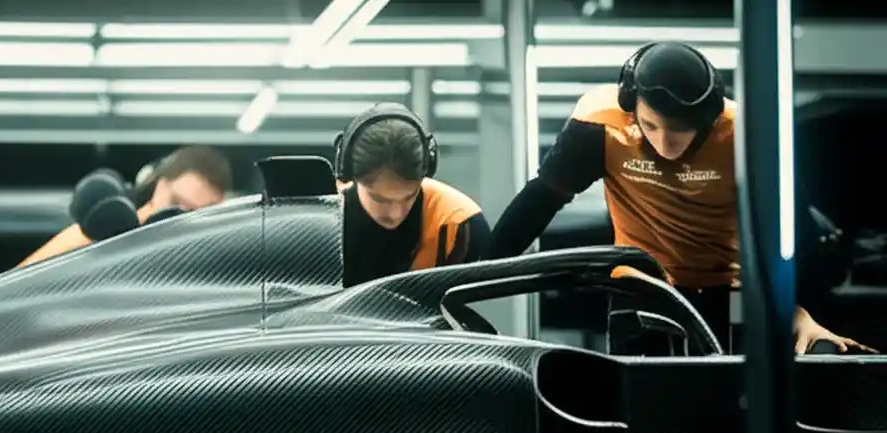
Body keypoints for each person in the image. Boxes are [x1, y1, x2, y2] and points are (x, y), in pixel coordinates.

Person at [488, 41, 871, 355]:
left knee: (728, 405)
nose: (666, 144)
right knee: (644, 401)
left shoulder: (744, 135)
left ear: (707, 118)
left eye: (681, 130)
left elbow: (793, 230)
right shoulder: (599, 124)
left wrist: (796, 310)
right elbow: (540, 200)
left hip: (729, 285)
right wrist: (479, 269)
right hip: (642, 282)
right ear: (630, 105)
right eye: (651, 125)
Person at [335, 102, 491, 287]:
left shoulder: (458, 226)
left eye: (409, 197)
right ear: (351, 177)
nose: (395, 213)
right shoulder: (320, 219)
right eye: (379, 199)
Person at [17, 145, 233, 267]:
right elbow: (12, 285)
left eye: (194, 213)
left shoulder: (198, 271)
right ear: (160, 185)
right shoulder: (95, 233)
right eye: (176, 203)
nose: (177, 217)